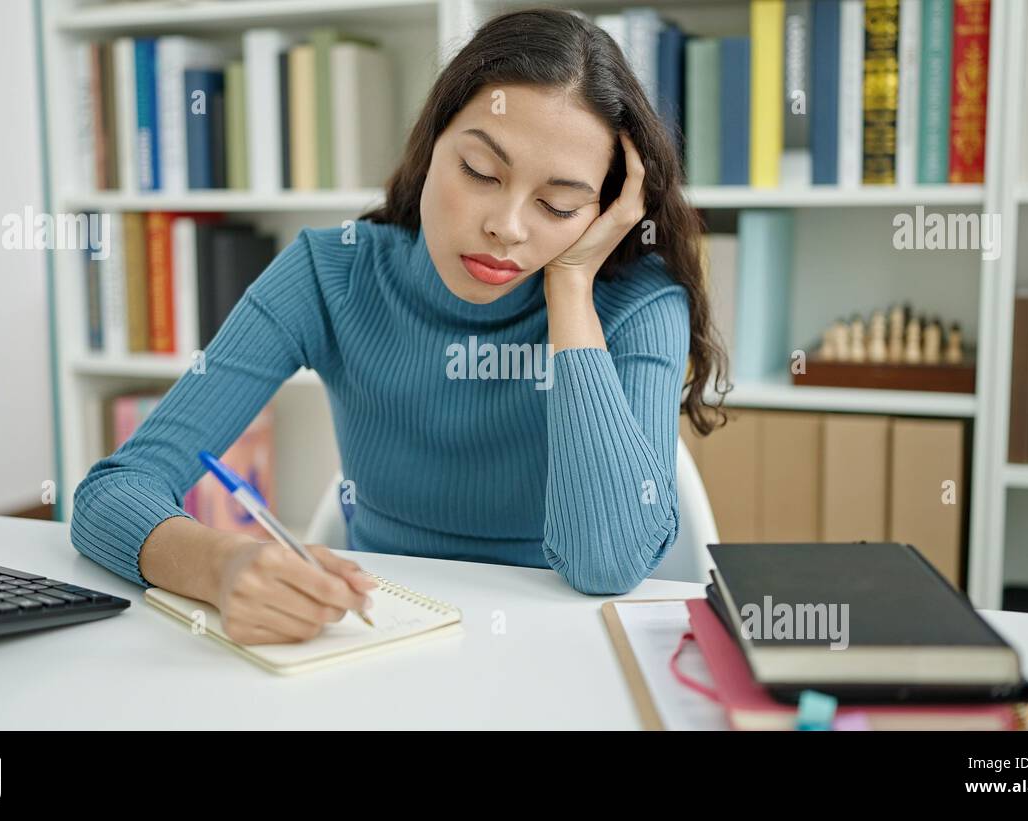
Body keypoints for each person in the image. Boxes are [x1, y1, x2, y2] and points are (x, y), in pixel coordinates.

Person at [70, 8, 727, 645]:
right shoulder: (331, 274)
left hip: (560, 658)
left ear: (608, 208)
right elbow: (111, 495)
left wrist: (572, 289)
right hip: (384, 641)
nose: (508, 226)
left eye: (559, 203)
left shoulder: (639, 303)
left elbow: (605, 562)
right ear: (432, 142)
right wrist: (222, 566)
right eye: (479, 172)